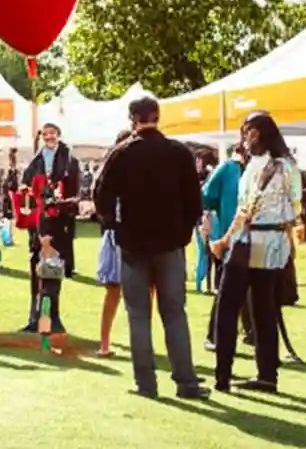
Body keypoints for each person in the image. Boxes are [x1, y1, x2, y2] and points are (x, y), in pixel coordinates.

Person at [94, 96, 208, 400]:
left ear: (133, 119)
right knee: (174, 313)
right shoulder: (179, 153)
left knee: (138, 315)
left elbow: (100, 194)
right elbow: (195, 203)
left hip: (133, 243)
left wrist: (112, 225)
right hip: (170, 243)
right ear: (157, 116)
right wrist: (182, 233)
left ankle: (146, 384)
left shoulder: (121, 154)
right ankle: (186, 382)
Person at [210, 111, 301, 394]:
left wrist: (223, 241)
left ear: (258, 133)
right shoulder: (287, 165)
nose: (246, 138)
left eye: (249, 132)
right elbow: (296, 208)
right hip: (274, 245)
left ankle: (224, 375)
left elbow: (244, 211)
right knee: (264, 310)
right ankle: (266, 375)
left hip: (251, 243)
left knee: (229, 307)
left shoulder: (265, 166)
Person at [19, 123, 82, 334]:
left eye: (52, 134)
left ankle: (52, 318)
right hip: (38, 225)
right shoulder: (36, 161)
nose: (49, 138)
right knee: (37, 272)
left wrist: (59, 204)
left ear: (59, 135)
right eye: (45, 135)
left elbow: (76, 195)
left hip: (58, 225)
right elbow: (24, 185)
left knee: (52, 271)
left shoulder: (70, 161)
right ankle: (34, 317)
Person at [201, 142, 253, 351]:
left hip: (235, 237)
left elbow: (206, 197)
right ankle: (218, 334)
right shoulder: (232, 169)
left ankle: (247, 332)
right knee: (233, 287)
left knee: (233, 288)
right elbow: (207, 197)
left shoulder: (230, 169)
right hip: (235, 238)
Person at [96, 129, 132, 357]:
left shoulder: (108, 173)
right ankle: (105, 343)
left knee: (116, 292)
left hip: (117, 235)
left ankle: (106, 344)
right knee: (117, 291)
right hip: (120, 236)